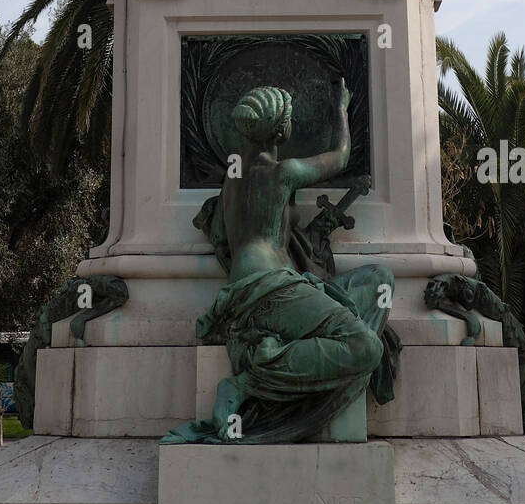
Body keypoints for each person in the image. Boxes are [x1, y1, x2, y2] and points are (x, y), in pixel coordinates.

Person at [164, 81, 395, 443]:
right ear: (280, 128)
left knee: (380, 279)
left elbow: (225, 240)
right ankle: (248, 381)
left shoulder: (232, 181)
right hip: (273, 289)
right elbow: (341, 157)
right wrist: (341, 109)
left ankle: (288, 352)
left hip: (251, 287)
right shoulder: (282, 173)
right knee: (366, 348)